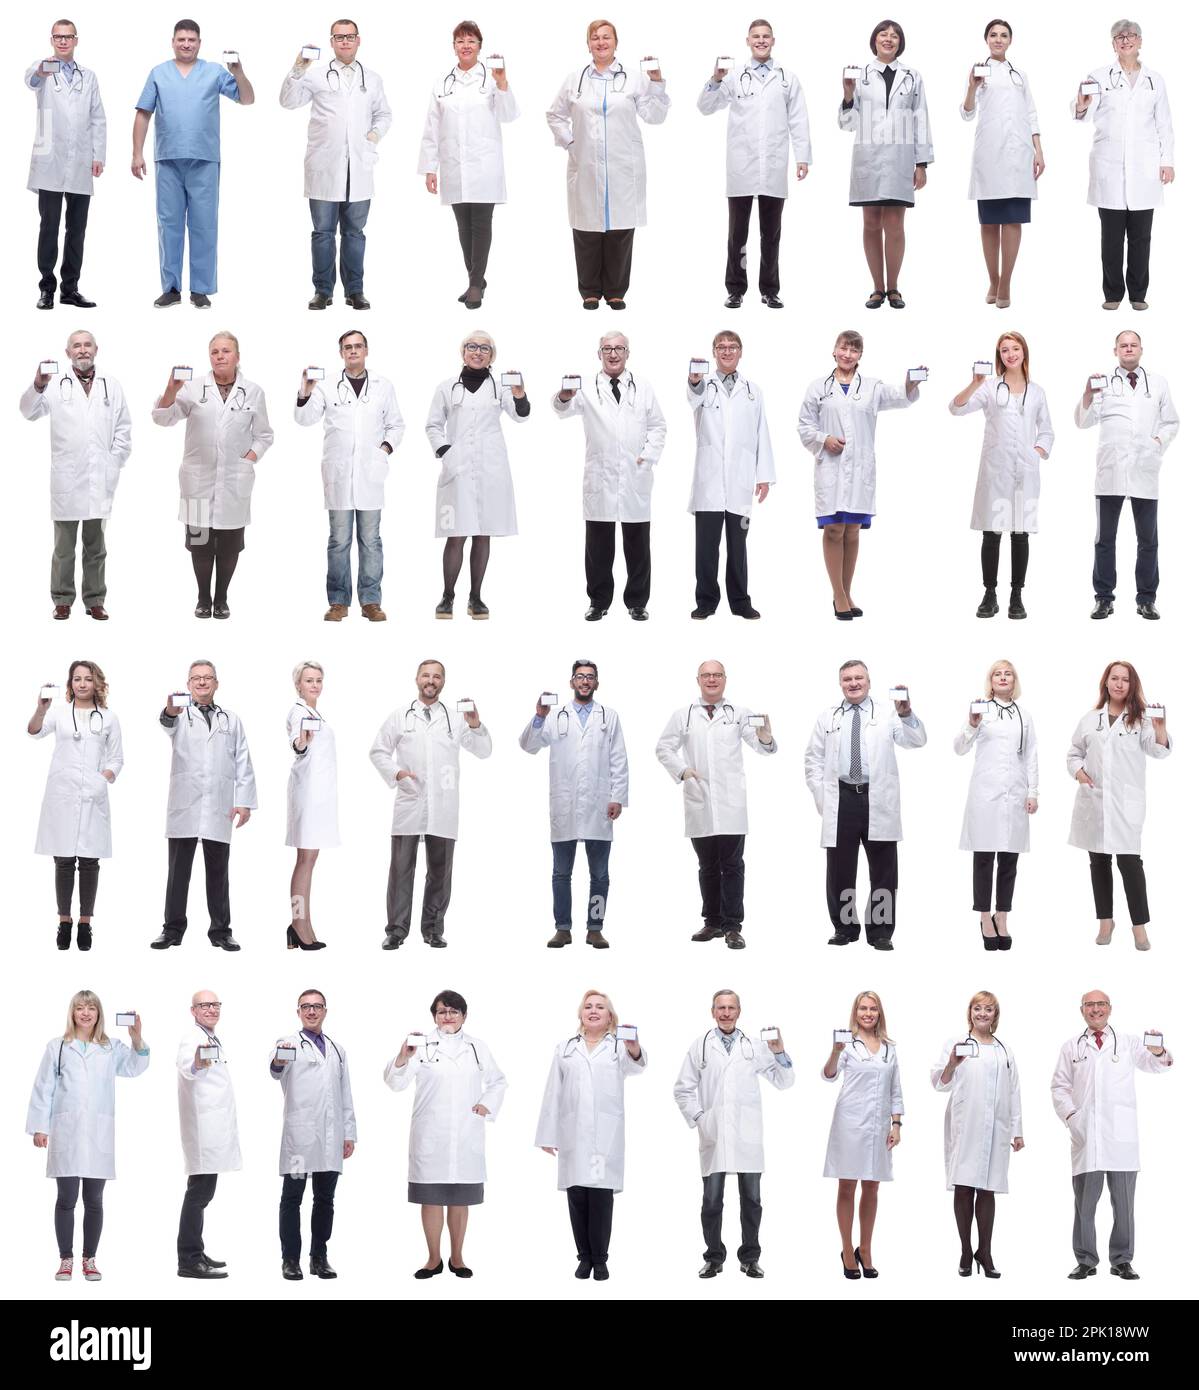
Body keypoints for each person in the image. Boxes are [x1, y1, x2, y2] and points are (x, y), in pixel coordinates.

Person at [546, 19, 670, 309]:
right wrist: (571, 144)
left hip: (622, 167)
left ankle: (615, 290)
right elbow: (554, 115)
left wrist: (656, 83)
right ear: (588, 44)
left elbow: (655, 116)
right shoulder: (575, 78)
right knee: (587, 230)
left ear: (616, 42)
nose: (601, 42)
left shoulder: (633, 79)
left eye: (606, 37)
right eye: (595, 38)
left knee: (620, 231)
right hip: (586, 166)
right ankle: (589, 290)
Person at [369, 659, 492, 949]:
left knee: (440, 871)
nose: (431, 680)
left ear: (443, 682)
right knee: (400, 870)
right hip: (410, 802)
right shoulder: (400, 716)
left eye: (437, 676)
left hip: (444, 805)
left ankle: (433, 929)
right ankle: (396, 930)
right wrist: (397, 773)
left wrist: (475, 723)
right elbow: (378, 751)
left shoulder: (456, 717)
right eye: (426, 675)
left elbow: (484, 751)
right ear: (416, 679)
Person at [26, 991, 149, 1282]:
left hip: (97, 1132)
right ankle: (65, 1259)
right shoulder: (57, 1046)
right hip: (66, 1132)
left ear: (98, 1013)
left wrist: (137, 1039)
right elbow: (44, 1088)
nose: (85, 1013)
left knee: (94, 1200)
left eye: (90, 1008)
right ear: (72, 1013)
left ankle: (89, 1259)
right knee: (66, 1198)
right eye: (79, 1008)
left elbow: (135, 1067)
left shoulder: (110, 1047)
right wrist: (40, 1127)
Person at [384, 990, 507, 1279]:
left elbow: (498, 1081)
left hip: (466, 1134)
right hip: (431, 1135)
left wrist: (485, 1104)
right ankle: (433, 1258)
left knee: (460, 1199)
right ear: (434, 1016)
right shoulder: (421, 1046)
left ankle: (458, 1257)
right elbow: (395, 1083)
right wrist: (403, 1055)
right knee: (431, 1198)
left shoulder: (478, 1047)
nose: (447, 1016)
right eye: (441, 1012)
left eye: (453, 1011)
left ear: (464, 1015)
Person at [798, 330, 921, 619]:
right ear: (834, 350)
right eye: (844, 348)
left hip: (860, 469)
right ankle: (837, 594)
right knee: (834, 529)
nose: (848, 354)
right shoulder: (818, 387)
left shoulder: (871, 387)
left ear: (860, 356)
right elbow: (804, 426)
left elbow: (900, 397)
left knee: (852, 530)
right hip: (831, 466)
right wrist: (824, 438)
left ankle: (847, 591)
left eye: (854, 350)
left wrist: (910, 382)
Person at [132, 19, 255, 307]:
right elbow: (142, 113)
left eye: (192, 40)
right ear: (172, 42)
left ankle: (200, 289)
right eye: (181, 39)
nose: (186, 44)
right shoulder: (158, 73)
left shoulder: (213, 72)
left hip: (204, 159)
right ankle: (171, 288)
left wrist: (238, 73)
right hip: (168, 158)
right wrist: (137, 153)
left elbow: (247, 99)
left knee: (204, 225)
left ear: (200, 43)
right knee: (169, 224)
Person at [1051, 990, 1173, 1280]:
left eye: (1101, 1004)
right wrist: (1072, 1117)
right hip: (1086, 1136)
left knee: (1124, 1205)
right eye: (1090, 1005)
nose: (1095, 1009)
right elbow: (1059, 1086)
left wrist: (1157, 1051)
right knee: (1084, 1206)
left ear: (1110, 1009)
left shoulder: (1129, 1043)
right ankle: (1086, 1261)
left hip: (1121, 1138)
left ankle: (1122, 1261)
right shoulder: (1072, 1047)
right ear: (1081, 1010)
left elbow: (1157, 1065)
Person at [804, 660, 926, 950]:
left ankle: (880, 931)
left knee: (883, 872)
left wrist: (906, 713)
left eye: (859, 678)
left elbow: (917, 741)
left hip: (876, 798)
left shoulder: (888, 713)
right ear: (840, 684)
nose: (853, 683)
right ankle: (845, 928)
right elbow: (813, 759)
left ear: (869, 683)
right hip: (842, 798)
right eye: (847, 679)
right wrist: (822, 796)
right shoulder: (828, 717)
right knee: (840, 872)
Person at [673, 990, 795, 1280]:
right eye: (720, 1008)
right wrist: (701, 1119)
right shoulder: (700, 1046)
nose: (726, 1013)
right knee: (711, 1202)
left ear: (739, 1011)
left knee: (752, 1201)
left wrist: (778, 1051)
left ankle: (750, 1258)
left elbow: (785, 1081)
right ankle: (714, 1257)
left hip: (747, 1134)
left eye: (731, 1008)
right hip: (713, 1135)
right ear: (712, 1011)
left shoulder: (754, 1046)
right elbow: (682, 1088)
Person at [152, 331, 274, 620]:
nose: (220, 356)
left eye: (226, 351)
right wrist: (171, 388)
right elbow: (162, 418)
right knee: (199, 544)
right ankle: (203, 597)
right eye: (215, 352)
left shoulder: (253, 391)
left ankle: (222, 598)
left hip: (235, 480)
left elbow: (264, 434)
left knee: (230, 546)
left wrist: (250, 458)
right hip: (196, 481)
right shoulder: (193, 388)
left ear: (238, 356)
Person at [655, 660, 777, 949]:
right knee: (707, 865)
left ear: (725, 679)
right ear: (697, 679)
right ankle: (712, 922)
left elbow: (763, 749)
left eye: (717, 675)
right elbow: (663, 748)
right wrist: (683, 770)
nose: (712, 679)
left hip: (731, 804)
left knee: (733, 866)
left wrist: (765, 736)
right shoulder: (682, 715)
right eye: (706, 675)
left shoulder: (740, 714)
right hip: (699, 800)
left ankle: (733, 926)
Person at [552, 332, 667, 621]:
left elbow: (658, 426)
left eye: (618, 349)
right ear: (599, 353)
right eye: (607, 349)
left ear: (628, 353)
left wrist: (649, 455)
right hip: (600, 478)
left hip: (635, 474)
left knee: (638, 546)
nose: (613, 354)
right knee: (598, 547)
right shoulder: (587, 387)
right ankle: (598, 601)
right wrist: (564, 396)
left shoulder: (643, 387)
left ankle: (637, 602)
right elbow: (562, 409)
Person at [698, 19, 811, 309]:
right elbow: (705, 107)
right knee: (737, 234)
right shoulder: (734, 76)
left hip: (773, 166)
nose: (761, 41)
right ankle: (735, 289)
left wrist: (803, 157)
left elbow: (798, 120)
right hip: (742, 166)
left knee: (771, 234)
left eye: (766, 37)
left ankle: (769, 289)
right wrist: (716, 79)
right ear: (747, 41)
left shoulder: (787, 78)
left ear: (773, 41)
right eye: (756, 37)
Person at [280, 18, 392, 311]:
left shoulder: (373, 78)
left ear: (358, 40)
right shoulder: (315, 76)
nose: (344, 41)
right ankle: (322, 291)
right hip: (324, 167)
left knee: (355, 234)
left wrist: (374, 135)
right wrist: (298, 68)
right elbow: (288, 102)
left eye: (350, 36)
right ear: (331, 41)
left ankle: (355, 291)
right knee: (323, 233)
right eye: (339, 37)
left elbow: (384, 114)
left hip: (360, 166)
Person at [20, 331, 131, 621]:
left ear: (97, 349)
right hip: (68, 480)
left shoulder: (112, 385)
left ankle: (94, 600)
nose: (82, 350)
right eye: (76, 346)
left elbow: (123, 428)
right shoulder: (54, 384)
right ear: (68, 352)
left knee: (96, 548)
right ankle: (62, 599)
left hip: (99, 479)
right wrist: (38, 384)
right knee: (64, 548)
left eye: (87, 345)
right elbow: (28, 412)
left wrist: (113, 460)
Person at [536, 990, 646, 1280]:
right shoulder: (565, 1048)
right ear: (580, 1013)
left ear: (610, 1016)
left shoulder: (618, 1046)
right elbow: (553, 1092)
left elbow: (636, 1065)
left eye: (601, 1007)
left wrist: (633, 1045)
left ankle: (600, 1259)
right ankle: (583, 1257)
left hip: (603, 1138)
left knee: (600, 1197)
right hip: (572, 1134)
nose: (594, 1011)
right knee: (577, 1196)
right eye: (588, 1006)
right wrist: (547, 1134)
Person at [296, 329, 404, 621]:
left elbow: (396, 425)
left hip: (371, 474)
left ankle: (371, 601)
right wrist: (306, 389)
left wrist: (383, 450)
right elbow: (304, 419)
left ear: (366, 350)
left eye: (358, 346)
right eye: (347, 347)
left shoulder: (384, 386)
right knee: (339, 541)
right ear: (341, 353)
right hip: (339, 475)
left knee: (371, 541)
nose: (353, 351)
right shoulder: (325, 386)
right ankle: (338, 602)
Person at [519, 660, 629, 949]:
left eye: (590, 677)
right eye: (580, 677)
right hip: (565, 804)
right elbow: (528, 746)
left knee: (600, 875)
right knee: (561, 873)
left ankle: (595, 928)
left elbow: (619, 758)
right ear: (571, 682)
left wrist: (617, 796)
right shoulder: (555, 715)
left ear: (596, 683)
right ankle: (563, 928)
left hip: (599, 805)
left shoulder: (609, 716)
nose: (584, 681)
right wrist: (539, 717)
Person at [151, 660, 257, 952]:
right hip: (185, 806)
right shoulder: (180, 715)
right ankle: (171, 930)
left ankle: (221, 931)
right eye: (196, 678)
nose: (202, 682)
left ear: (216, 683)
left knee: (219, 873)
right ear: (188, 684)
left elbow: (242, 761)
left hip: (218, 807)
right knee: (177, 873)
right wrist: (171, 708)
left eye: (207, 678)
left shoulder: (231, 719)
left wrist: (244, 802)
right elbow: (166, 721)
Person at [949, 331, 1054, 620]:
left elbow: (1047, 430)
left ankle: (1017, 596)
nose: (1010, 354)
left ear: (1024, 352)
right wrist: (975, 383)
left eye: (1015, 348)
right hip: (995, 470)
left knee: (1020, 535)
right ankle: (990, 593)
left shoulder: (1037, 391)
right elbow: (955, 408)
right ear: (999, 356)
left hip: (1025, 471)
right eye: (1004, 350)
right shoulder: (989, 387)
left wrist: (1038, 451)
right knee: (992, 533)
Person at [1067, 660, 1171, 951]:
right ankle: (1105, 922)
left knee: (1130, 864)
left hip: (1126, 804)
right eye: (1114, 678)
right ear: (1106, 682)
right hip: (1095, 800)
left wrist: (1161, 728)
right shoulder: (1090, 719)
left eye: (1125, 679)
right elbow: (1074, 753)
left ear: (1132, 685)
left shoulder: (1142, 720)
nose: (1119, 684)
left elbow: (1158, 750)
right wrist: (1078, 772)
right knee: (1098, 863)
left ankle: (1139, 927)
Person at [1076, 330, 1178, 621]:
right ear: (1115, 351)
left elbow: (1172, 422)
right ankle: (1103, 599)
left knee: (1148, 540)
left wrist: (1157, 443)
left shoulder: (1158, 383)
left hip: (1145, 470)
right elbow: (1083, 422)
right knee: (1104, 540)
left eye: (1133, 345)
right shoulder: (1103, 383)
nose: (1129, 349)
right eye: (1124, 345)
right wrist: (1086, 395)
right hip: (1110, 472)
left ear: (1141, 349)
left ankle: (1146, 599)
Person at [425, 332, 529, 618]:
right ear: (463, 352)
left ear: (492, 355)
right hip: (457, 469)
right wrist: (446, 452)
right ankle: (447, 596)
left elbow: (521, 416)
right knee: (455, 534)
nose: (478, 352)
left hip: (491, 470)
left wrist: (520, 394)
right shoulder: (446, 387)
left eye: (485, 348)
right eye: (472, 347)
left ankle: (476, 597)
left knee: (483, 534)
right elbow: (433, 425)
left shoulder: (502, 388)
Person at [1072, 21, 1174, 311]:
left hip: (1145, 170)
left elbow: (1164, 125)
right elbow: (1083, 113)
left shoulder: (1155, 80)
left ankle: (1139, 294)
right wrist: (1081, 104)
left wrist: (1167, 161)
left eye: (1130, 36)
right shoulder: (1099, 76)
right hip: (1110, 169)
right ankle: (1113, 293)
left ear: (1140, 41)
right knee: (1112, 239)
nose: (1125, 40)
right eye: (1119, 37)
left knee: (1142, 237)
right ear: (1113, 44)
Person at [418, 21, 518, 308]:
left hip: (484, 165)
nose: (466, 46)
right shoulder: (443, 82)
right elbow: (431, 126)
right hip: (454, 164)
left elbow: (509, 115)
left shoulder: (491, 79)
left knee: (480, 224)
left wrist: (502, 83)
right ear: (454, 47)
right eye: (460, 41)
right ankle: (476, 277)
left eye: (471, 41)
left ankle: (475, 284)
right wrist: (429, 167)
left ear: (480, 46)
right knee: (463, 226)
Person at [29, 660, 123, 952]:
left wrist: (102, 779)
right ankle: (64, 921)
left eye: (88, 679)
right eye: (77, 679)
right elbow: (33, 731)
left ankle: (85, 923)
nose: (82, 684)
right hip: (62, 794)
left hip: (92, 796)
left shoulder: (108, 717)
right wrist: (41, 707)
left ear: (97, 683)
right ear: (70, 684)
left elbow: (117, 759)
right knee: (64, 861)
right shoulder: (57, 713)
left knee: (90, 862)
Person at [839, 20, 933, 309]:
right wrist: (847, 94)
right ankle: (876, 289)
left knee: (894, 224)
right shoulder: (860, 75)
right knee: (870, 222)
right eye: (884, 34)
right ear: (875, 40)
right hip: (868, 156)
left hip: (899, 158)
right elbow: (847, 123)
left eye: (894, 36)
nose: (889, 39)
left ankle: (894, 288)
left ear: (900, 42)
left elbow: (921, 118)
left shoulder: (912, 76)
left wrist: (922, 163)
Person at [931, 992, 1024, 1278]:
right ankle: (965, 1250)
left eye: (989, 1009)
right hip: (966, 1123)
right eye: (977, 1008)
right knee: (964, 1185)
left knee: (988, 1188)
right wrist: (951, 1064)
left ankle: (985, 1251)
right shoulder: (957, 1044)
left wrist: (1017, 1130)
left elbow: (1014, 1090)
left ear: (996, 1014)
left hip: (996, 1126)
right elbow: (939, 1083)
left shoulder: (1004, 1049)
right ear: (969, 1011)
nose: (982, 1013)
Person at [687, 330, 775, 619]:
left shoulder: (753, 391)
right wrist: (694, 380)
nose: (727, 351)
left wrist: (764, 475)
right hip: (709, 482)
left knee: (739, 547)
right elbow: (693, 397)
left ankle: (740, 602)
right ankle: (706, 602)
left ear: (741, 352)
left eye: (732, 347)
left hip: (740, 480)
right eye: (721, 347)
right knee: (706, 549)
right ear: (713, 352)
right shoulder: (703, 385)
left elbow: (762, 432)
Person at [271, 990, 356, 1281]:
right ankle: (290, 1260)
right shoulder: (289, 1043)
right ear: (298, 1012)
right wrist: (280, 1057)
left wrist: (349, 1133)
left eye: (316, 1006)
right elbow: (275, 1069)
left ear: (325, 1010)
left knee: (325, 1200)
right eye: (306, 1007)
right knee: (292, 1198)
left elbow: (345, 1094)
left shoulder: (337, 1049)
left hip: (331, 1138)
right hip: (300, 1139)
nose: (311, 1011)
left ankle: (319, 1257)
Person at [954, 660, 1038, 950]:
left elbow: (1031, 755)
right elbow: (959, 748)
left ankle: (1002, 914)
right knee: (984, 858)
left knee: (1009, 859)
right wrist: (971, 724)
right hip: (985, 794)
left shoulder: (1024, 716)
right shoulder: (981, 709)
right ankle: (984, 916)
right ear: (990, 681)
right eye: (997, 674)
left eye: (1008, 673)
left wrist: (1033, 792)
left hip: (1014, 793)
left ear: (1015, 680)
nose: (1003, 678)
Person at [961, 20, 1044, 307]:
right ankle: (993, 280)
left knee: (1012, 219)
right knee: (989, 222)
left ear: (1010, 40)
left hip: (1019, 154)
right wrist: (972, 87)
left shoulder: (1019, 74)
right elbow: (967, 113)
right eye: (993, 35)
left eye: (1003, 35)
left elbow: (1031, 113)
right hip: (989, 155)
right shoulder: (979, 73)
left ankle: (1006, 282)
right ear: (986, 39)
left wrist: (1038, 150)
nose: (998, 39)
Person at [822, 991, 902, 1280]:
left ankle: (865, 1249)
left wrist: (896, 1124)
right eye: (863, 1008)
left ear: (880, 1013)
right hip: (849, 1123)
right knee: (847, 1186)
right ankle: (846, 1249)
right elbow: (829, 1075)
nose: (868, 1013)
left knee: (872, 1187)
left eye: (873, 1009)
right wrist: (835, 1050)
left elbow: (895, 1089)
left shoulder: (890, 1048)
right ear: (855, 1013)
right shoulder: (846, 1044)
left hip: (879, 1126)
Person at [26, 19, 105, 309]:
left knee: (77, 229)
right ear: (51, 39)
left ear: (75, 39)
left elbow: (98, 117)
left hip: (81, 162)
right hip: (50, 161)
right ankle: (47, 287)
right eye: (58, 37)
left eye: (67, 37)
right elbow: (31, 81)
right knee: (49, 225)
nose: (62, 41)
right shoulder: (45, 69)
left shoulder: (89, 76)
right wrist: (40, 69)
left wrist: (98, 156)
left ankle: (70, 289)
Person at [175, 991, 240, 1280]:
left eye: (215, 1004)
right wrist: (197, 1064)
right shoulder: (192, 1038)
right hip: (204, 1129)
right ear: (193, 1010)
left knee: (203, 1194)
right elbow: (187, 1067)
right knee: (198, 1194)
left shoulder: (210, 1036)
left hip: (215, 1127)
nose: (211, 1009)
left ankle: (196, 1252)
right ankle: (188, 1259)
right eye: (205, 1005)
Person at [285, 662, 336, 950]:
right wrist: (301, 743)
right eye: (308, 680)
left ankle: (305, 924)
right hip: (308, 796)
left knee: (310, 861)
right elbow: (298, 743)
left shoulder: (315, 712)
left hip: (321, 797)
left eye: (318, 680)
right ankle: (297, 924)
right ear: (298, 685)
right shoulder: (298, 712)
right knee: (304, 861)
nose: (314, 685)